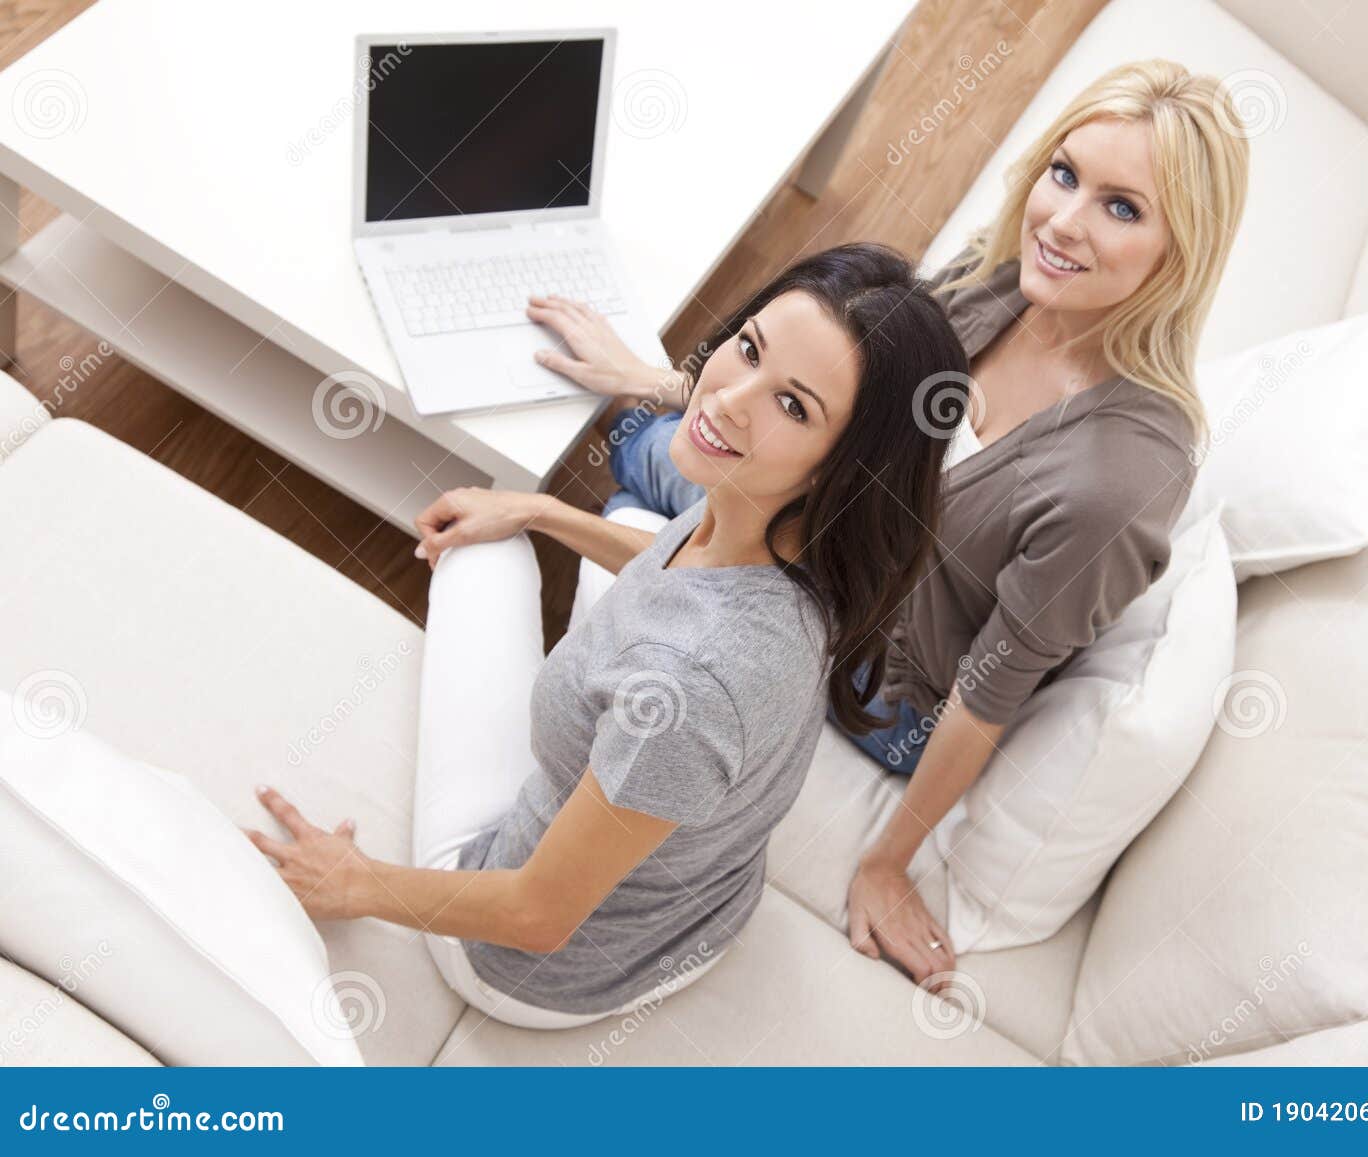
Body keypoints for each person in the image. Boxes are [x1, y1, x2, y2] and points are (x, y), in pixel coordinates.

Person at [514, 60, 1252, 988]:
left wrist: (887, 858)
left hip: (889, 685)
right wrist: (656, 378)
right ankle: (651, 463)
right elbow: (844, 399)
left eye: (1122, 207)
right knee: (639, 436)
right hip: (835, 523)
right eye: (1065, 175)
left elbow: (991, 687)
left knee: (643, 464)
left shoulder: (1121, 478)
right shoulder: (1008, 284)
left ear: (1180, 253)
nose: (1063, 222)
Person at [243, 243, 969, 1026]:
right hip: (693, 907)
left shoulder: (693, 687)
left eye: (793, 406)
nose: (728, 401)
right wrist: (540, 511)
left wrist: (353, 880)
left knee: (479, 558)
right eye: (750, 348)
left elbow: (537, 914)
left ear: (842, 466)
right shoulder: (794, 537)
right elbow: (671, 563)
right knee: (623, 514)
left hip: (526, 965)